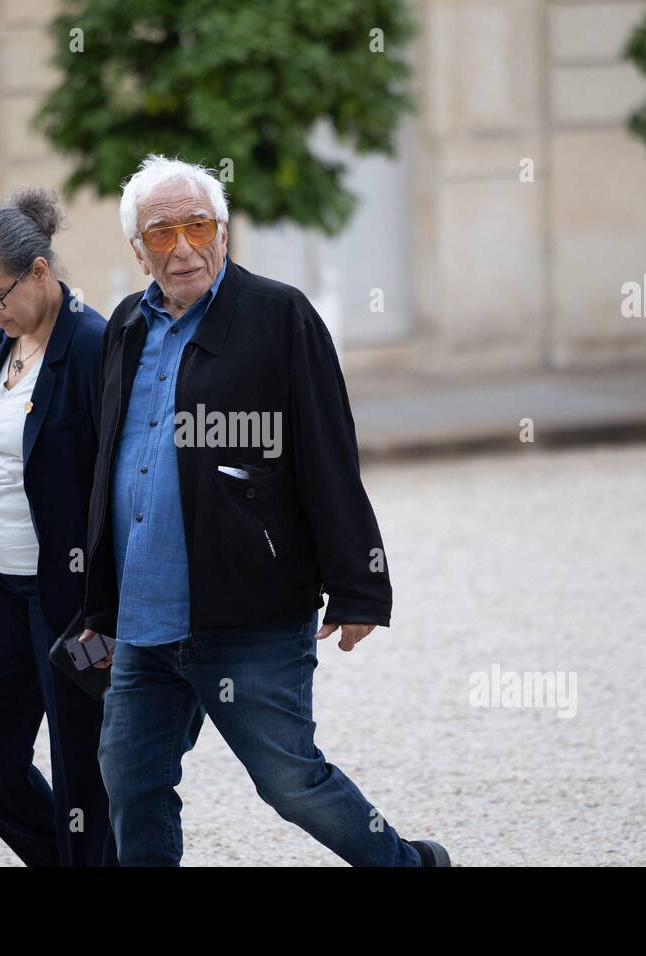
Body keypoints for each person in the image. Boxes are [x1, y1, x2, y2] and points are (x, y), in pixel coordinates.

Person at [78, 155, 451, 867]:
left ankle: (409, 865)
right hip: (145, 619)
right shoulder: (127, 323)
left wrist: (360, 584)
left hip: (248, 611)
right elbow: (112, 461)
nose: (184, 247)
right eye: (162, 233)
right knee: (130, 780)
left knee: (290, 782)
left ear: (224, 230)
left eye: (199, 225)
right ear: (137, 249)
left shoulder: (279, 316)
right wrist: (97, 599)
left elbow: (328, 454)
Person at [0, 188, 115, 866]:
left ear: (41, 272)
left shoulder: (95, 345)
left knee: (81, 772)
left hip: (69, 600)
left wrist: (109, 604)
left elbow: (117, 480)